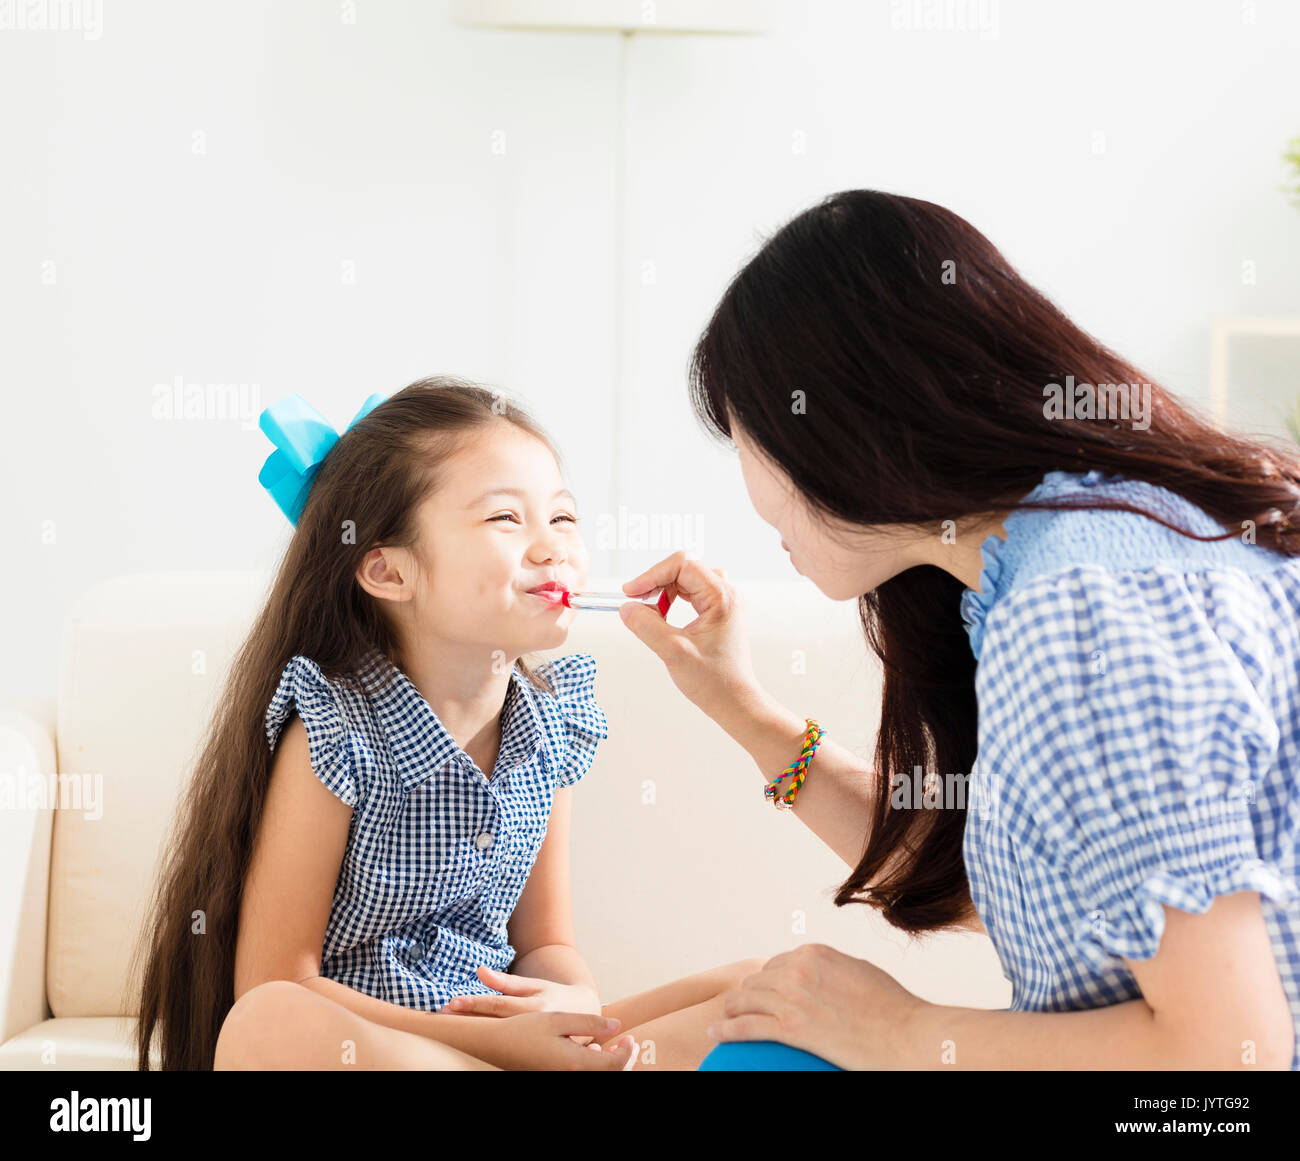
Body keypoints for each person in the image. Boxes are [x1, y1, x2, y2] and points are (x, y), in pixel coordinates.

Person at [614, 190, 1300, 1070]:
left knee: (752, 1050)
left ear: (832, 424)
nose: (751, 495)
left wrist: (899, 1031)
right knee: (752, 1012)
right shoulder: (1105, 538)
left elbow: (1225, 1057)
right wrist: (743, 708)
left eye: (743, 435)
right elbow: (1038, 885)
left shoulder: (1078, 619)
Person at [131, 377, 765, 1071]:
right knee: (269, 1022)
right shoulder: (337, 731)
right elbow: (276, 979)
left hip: (515, 1043)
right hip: (394, 1048)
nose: (553, 548)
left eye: (562, 518)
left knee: (766, 986)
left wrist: (572, 1003)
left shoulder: (553, 729)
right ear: (388, 571)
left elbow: (547, 941)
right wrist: (495, 1043)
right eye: (505, 520)